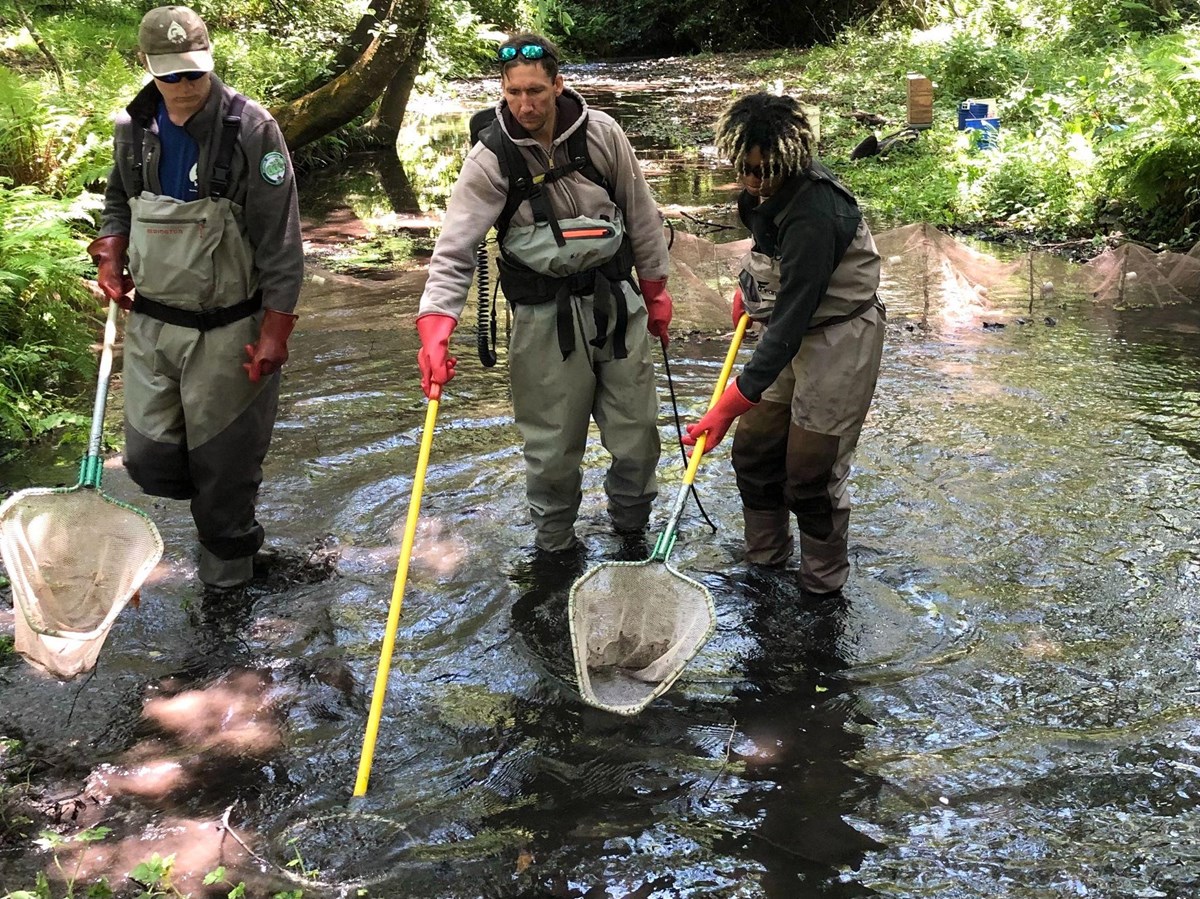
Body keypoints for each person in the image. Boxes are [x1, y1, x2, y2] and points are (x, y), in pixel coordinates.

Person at [416, 33, 673, 554]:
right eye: (514, 93)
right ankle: (554, 549)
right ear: (502, 91)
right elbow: (455, 249)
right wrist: (436, 326)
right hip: (540, 318)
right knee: (552, 452)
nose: (526, 104)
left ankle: (632, 533)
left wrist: (656, 289)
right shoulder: (489, 159)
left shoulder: (602, 134)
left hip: (618, 304)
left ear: (558, 84)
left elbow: (641, 215)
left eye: (536, 91)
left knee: (640, 438)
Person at [87, 6, 303, 589]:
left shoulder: (251, 128)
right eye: (170, 75)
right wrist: (111, 246)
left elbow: (280, 239)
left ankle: (229, 586)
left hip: (229, 327)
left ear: (208, 63)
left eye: (194, 73)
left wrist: (275, 330)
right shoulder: (132, 128)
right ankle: (230, 534)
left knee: (224, 470)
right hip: (153, 325)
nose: (184, 87)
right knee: (149, 461)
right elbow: (117, 200)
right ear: (147, 68)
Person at [682, 92, 885, 596]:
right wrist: (745, 289)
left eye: (766, 171)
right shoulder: (756, 193)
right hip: (789, 321)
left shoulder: (817, 214)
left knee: (810, 474)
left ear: (790, 159)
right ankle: (764, 565)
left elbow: (791, 324)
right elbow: (765, 246)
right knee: (754, 453)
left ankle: (821, 588)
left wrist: (726, 406)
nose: (755, 181)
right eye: (746, 169)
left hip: (838, 336)